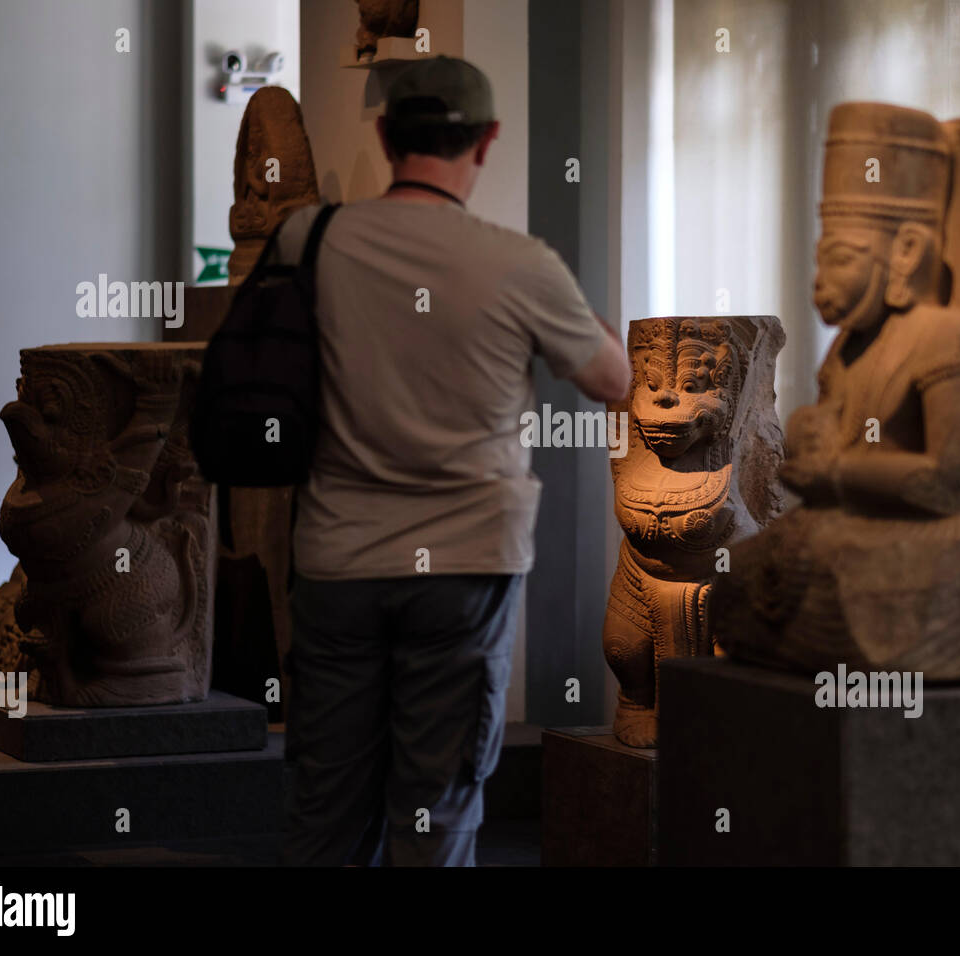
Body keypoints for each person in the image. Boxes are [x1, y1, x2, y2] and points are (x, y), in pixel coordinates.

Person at [271, 55, 630, 866]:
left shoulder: (307, 236)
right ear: (489, 139)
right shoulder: (520, 263)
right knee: (437, 801)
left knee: (325, 801)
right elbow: (616, 380)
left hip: (336, 557)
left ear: (385, 133)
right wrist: (569, 301)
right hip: (465, 566)